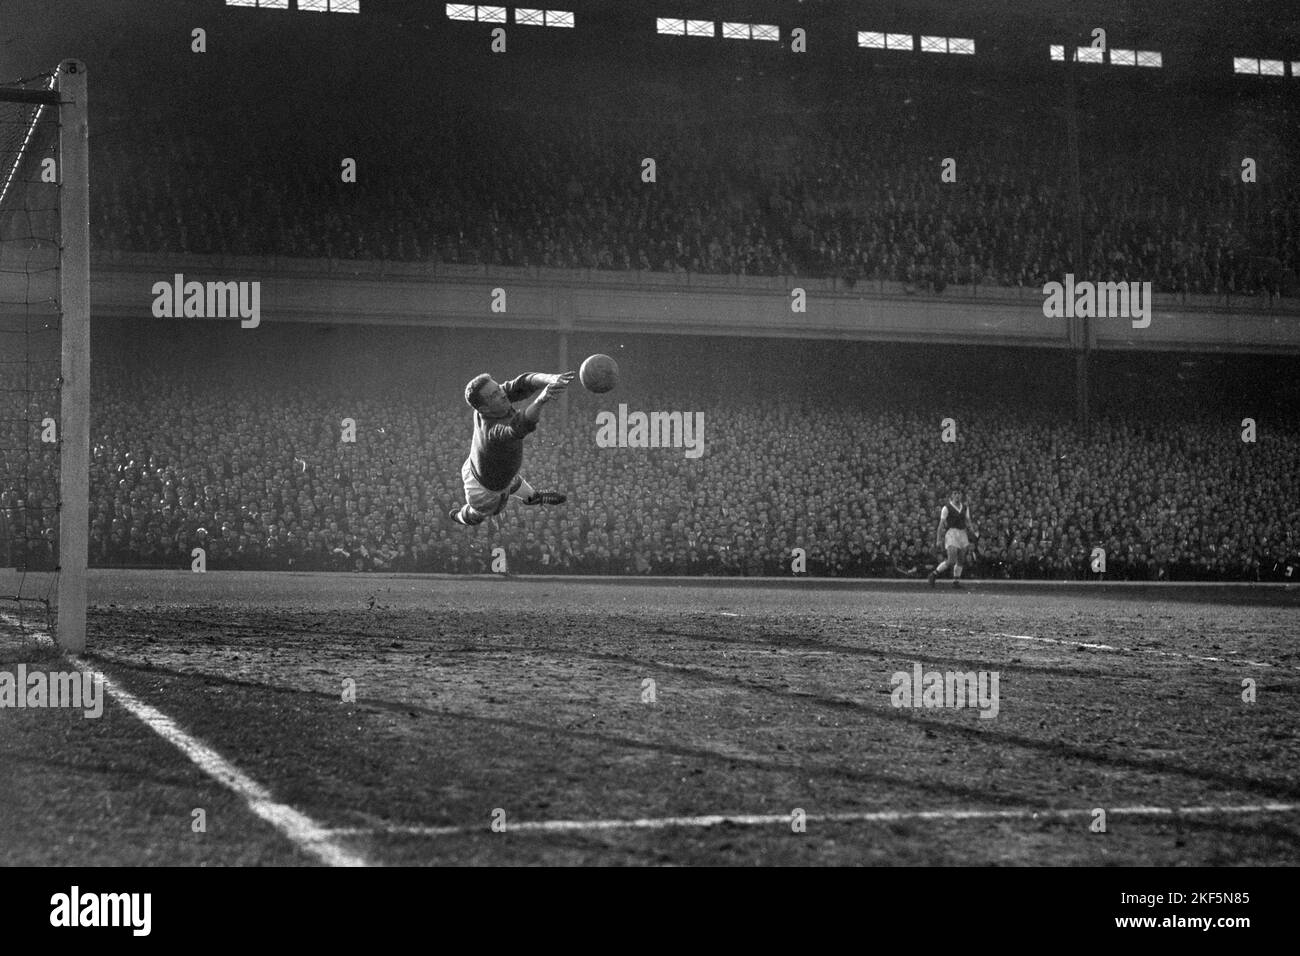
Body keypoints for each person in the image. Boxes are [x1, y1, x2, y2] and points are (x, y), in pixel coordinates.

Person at [449, 371, 574, 526]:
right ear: (484, 409)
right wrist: (542, 399)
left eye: (498, 388)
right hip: (484, 491)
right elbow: (519, 427)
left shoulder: (491, 402)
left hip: (481, 466)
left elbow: (523, 382)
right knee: (479, 514)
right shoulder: (492, 431)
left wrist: (551, 379)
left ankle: (533, 497)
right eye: (494, 394)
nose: (502, 394)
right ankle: (460, 516)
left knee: (511, 480)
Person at [928, 489, 978, 588]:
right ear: (952, 496)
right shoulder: (947, 508)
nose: (957, 495)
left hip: (962, 533)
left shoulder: (964, 507)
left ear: (961, 495)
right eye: (955, 493)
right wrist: (938, 539)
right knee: (951, 559)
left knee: (961, 559)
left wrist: (972, 530)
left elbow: (968, 521)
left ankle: (956, 581)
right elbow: (941, 525)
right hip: (952, 532)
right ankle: (934, 574)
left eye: (959, 493)